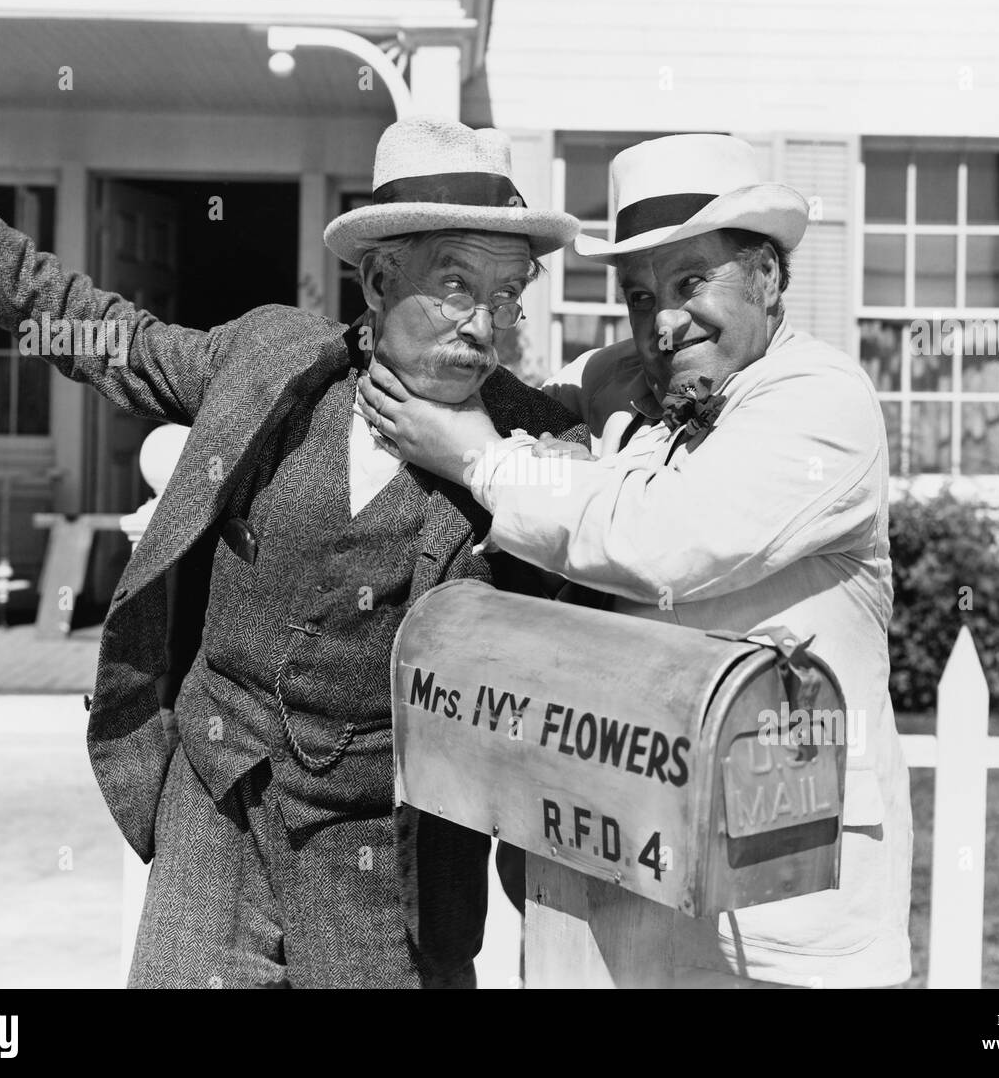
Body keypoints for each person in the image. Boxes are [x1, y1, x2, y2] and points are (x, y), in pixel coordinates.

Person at [0, 117, 584, 989]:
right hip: (218, 794)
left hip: (386, 855)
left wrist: (482, 457)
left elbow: (604, 562)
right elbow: (112, 339)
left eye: (506, 294)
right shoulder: (271, 360)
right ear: (379, 278)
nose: (482, 323)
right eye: (456, 284)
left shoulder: (533, 446)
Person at [357, 133, 914, 988]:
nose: (665, 321)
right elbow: (498, 393)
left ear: (767, 276)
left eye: (692, 283)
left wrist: (479, 457)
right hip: (624, 867)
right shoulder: (622, 380)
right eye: (641, 295)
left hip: (782, 882)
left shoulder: (823, 400)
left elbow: (662, 538)